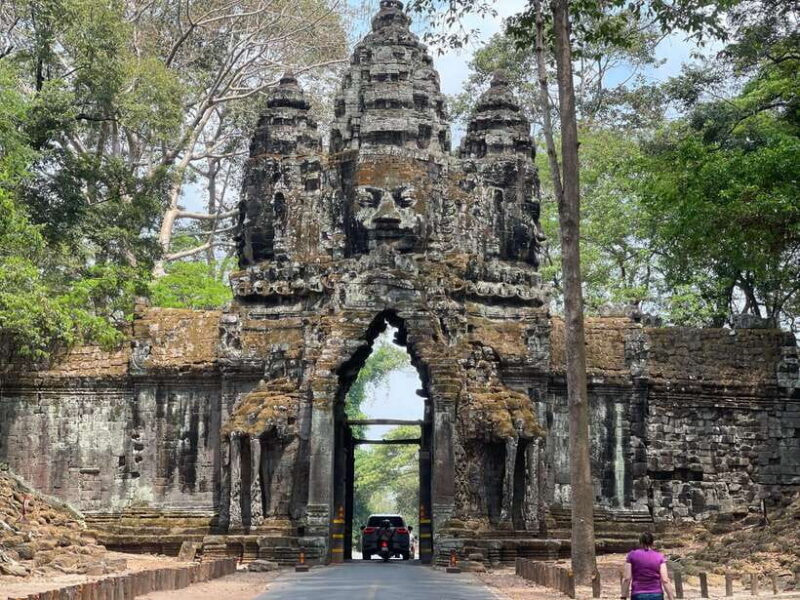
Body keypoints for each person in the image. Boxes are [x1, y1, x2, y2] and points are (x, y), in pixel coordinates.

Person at [621, 532, 675, 600]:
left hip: (638, 594)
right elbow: (665, 580)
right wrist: (671, 597)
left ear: (640, 542)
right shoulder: (659, 556)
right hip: (656, 594)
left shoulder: (632, 555)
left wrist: (623, 596)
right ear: (652, 542)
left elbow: (627, 578)